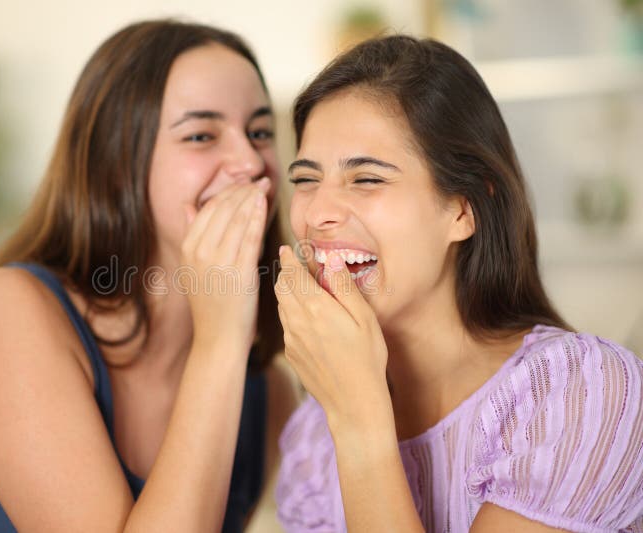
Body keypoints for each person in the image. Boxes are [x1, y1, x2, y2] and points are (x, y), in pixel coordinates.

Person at [0, 19, 299, 533]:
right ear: (115, 164)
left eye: (260, 132)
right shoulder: (3, 314)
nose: (249, 162)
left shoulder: (267, 394)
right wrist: (220, 343)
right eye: (201, 135)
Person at [274, 35, 643, 532]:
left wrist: (360, 421)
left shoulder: (581, 394)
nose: (317, 214)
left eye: (367, 179)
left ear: (463, 209)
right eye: (305, 180)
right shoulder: (312, 445)